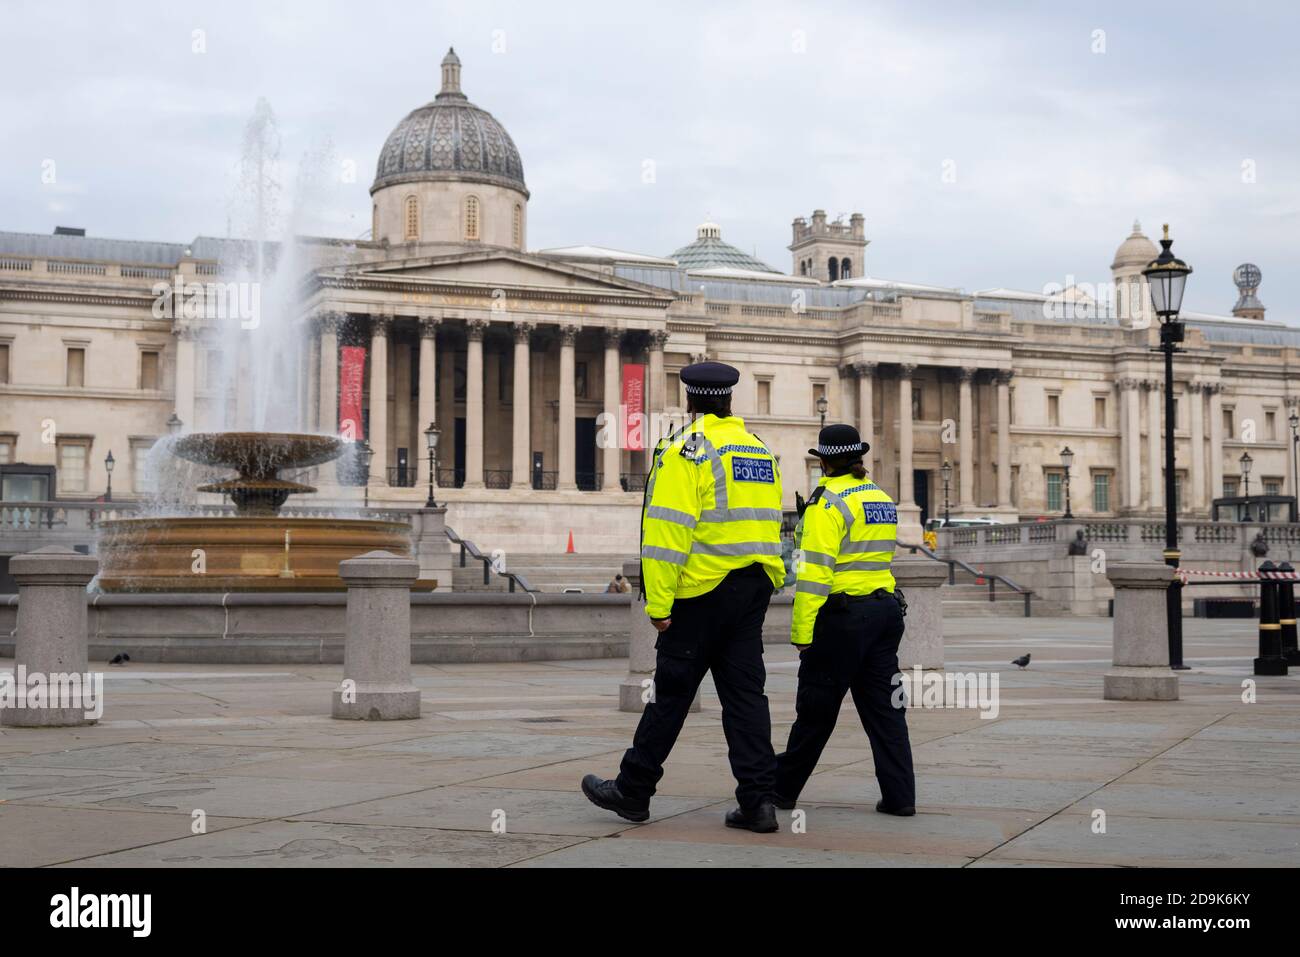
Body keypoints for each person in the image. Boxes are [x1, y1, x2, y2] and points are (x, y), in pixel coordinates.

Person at [582, 361, 786, 832]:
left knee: (670, 696)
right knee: (746, 700)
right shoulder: (758, 450)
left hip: (700, 593)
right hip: (752, 587)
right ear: (730, 399)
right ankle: (758, 803)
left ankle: (633, 792)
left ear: (689, 400)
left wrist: (658, 604)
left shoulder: (685, 451)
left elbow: (666, 535)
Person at [774, 423, 916, 816]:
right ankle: (900, 797)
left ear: (823, 462)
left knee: (816, 710)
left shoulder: (828, 502)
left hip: (843, 617)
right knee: (887, 712)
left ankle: (782, 790)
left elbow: (814, 573)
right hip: (886, 611)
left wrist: (802, 631)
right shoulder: (881, 498)